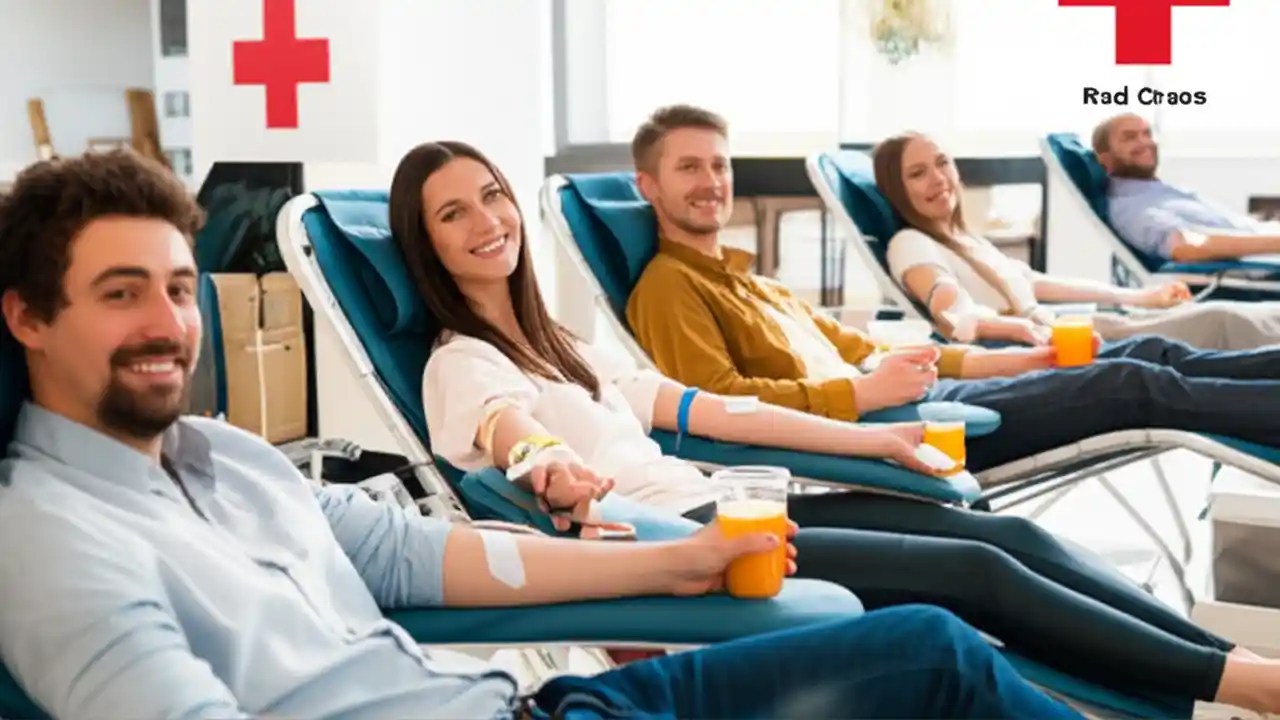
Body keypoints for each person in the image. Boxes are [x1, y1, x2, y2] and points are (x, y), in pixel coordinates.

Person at [0, 153, 1090, 720]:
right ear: (28, 316)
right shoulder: (48, 538)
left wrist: (677, 563)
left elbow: (418, 554)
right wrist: (547, 466)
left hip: (531, 702)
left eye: (181, 290)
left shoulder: (225, 457)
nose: (167, 325)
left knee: (928, 652)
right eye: (120, 293)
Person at [405, 139, 1280, 714]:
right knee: (973, 570)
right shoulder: (460, 363)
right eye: (454, 214)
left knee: (1006, 535)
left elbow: (708, 410)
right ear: (426, 247)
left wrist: (875, 439)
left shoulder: (567, 342)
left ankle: (1222, 660)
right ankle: (1248, 685)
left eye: (492, 196)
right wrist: (547, 462)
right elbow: (511, 432)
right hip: (693, 542)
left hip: (737, 506)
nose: (488, 222)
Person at [625, 103, 1280, 475]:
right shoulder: (667, 287)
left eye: (718, 164)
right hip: (902, 428)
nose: (711, 181)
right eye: (688, 168)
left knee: (1147, 357)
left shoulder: (756, 282)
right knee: (1131, 384)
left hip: (927, 390)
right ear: (647, 186)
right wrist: (858, 392)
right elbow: (719, 402)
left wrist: (1015, 360)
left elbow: (867, 340)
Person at [877, 131, 1280, 350]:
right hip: (1049, 342)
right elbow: (948, 306)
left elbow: (1036, 282)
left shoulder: (965, 240)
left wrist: (1137, 298)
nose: (938, 179)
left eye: (942, 163)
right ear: (898, 190)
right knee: (1221, 321)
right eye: (917, 173)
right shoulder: (911, 244)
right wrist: (1011, 329)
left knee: (1233, 316)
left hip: (1066, 326)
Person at [1095, 112, 1280, 263]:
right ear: (1104, 158)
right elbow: (1186, 245)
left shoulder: (1158, 191)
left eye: (1147, 134)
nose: (1146, 142)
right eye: (1129, 138)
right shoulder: (1130, 207)